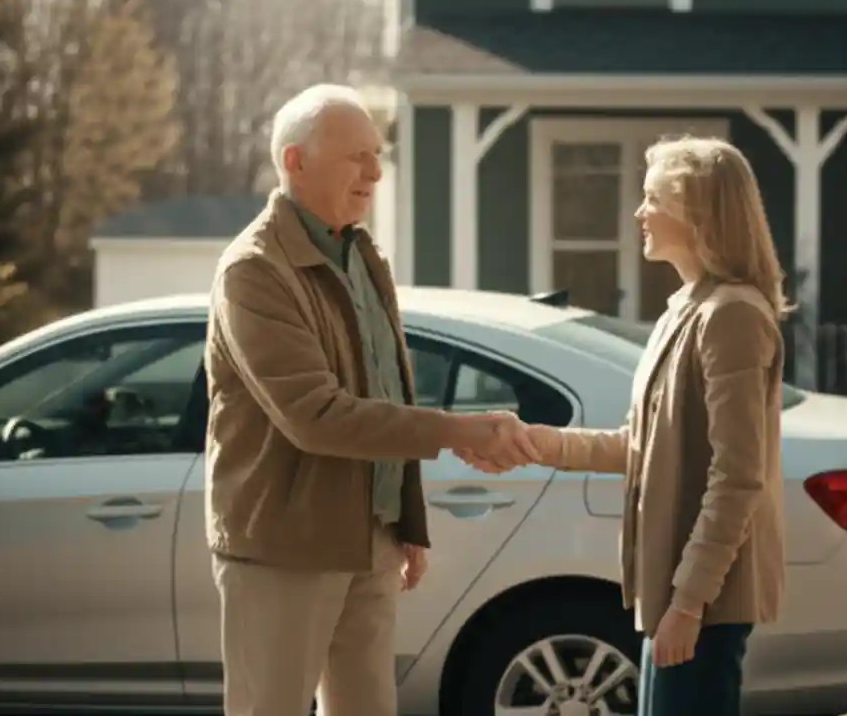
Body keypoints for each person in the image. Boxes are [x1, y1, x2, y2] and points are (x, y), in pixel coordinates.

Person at [204, 83, 538, 716]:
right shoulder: (253, 271)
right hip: (285, 548)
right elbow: (316, 416)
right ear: (295, 162)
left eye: (377, 155)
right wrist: (460, 432)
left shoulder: (363, 254)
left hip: (372, 540)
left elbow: (386, 387)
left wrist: (404, 517)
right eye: (356, 155)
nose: (375, 173)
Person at [463, 135, 790, 716]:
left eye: (651, 199)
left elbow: (739, 477)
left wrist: (690, 604)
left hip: (701, 602)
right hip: (669, 592)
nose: (639, 214)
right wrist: (532, 442)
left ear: (696, 212)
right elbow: (642, 446)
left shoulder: (732, 315)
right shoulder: (685, 310)